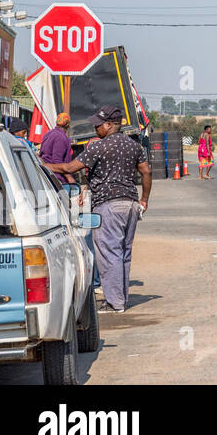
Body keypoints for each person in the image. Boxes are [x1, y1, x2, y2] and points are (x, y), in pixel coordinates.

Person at [51, 106, 151, 313]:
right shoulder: (134, 146)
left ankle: (115, 304)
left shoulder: (99, 147)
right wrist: (144, 200)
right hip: (131, 204)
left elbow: (69, 168)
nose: (95, 127)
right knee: (123, 253)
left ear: (109, 125)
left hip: (109, 204)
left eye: (98, 124)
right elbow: (146, 171)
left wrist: (43, 164)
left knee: (108, 254)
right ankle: (120, 299)